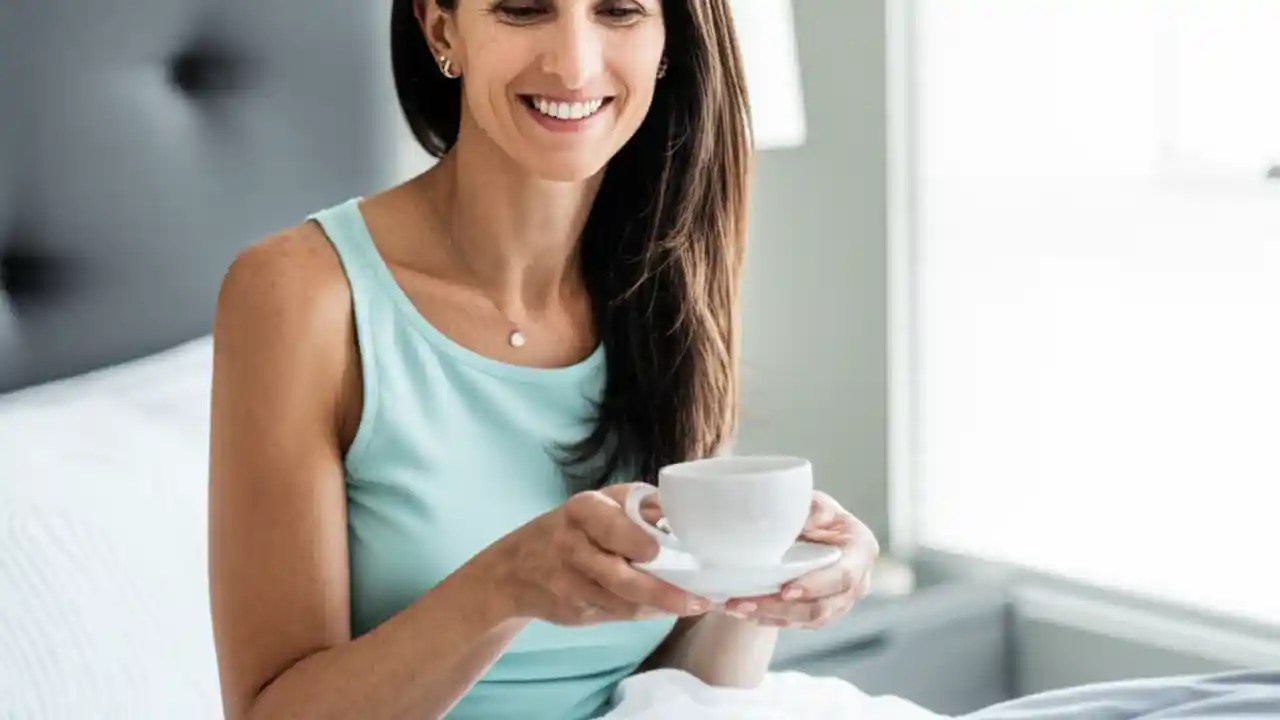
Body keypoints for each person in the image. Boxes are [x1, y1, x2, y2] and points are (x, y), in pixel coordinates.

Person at [207, 0, 880, 718]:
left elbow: (674, 687)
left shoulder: (667, 281)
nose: (574, 63)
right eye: (523, 10)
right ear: (442, 29)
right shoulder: (301, 294)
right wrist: (504, 587)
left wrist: (768, 581)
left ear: (665, 40)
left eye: (618, 11)